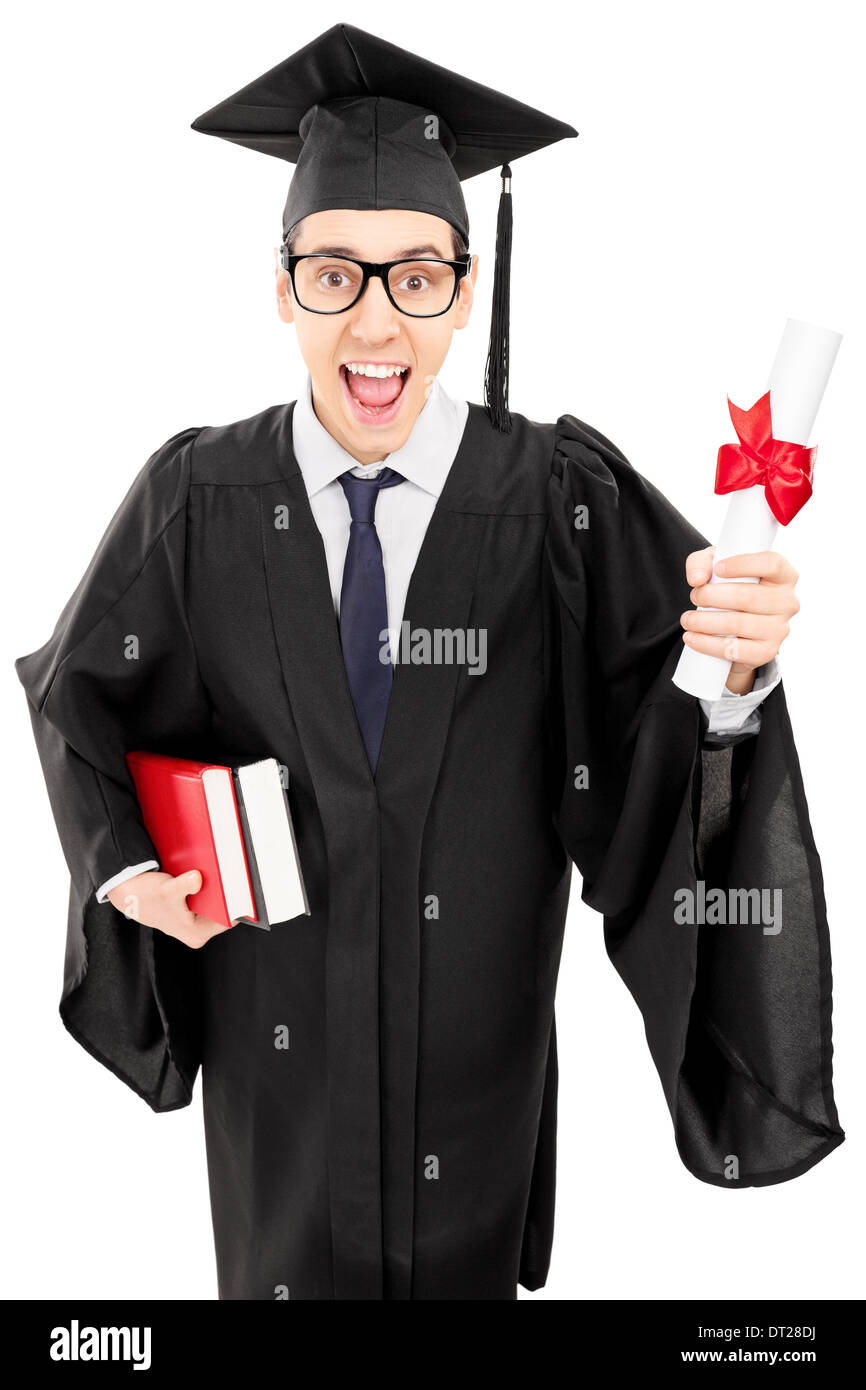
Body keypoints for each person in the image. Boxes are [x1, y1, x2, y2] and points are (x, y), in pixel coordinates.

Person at [15, 24, 843, 1301]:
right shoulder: (200, 496)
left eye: (414, 277)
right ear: (281, 287)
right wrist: (126, 872)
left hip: (477, 1083)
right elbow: (82, 697)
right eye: (334, 274)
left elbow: (655, 754)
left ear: (463, 288)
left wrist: (735, 675)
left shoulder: (559, 501)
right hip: (275, 1089)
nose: (376, 321)